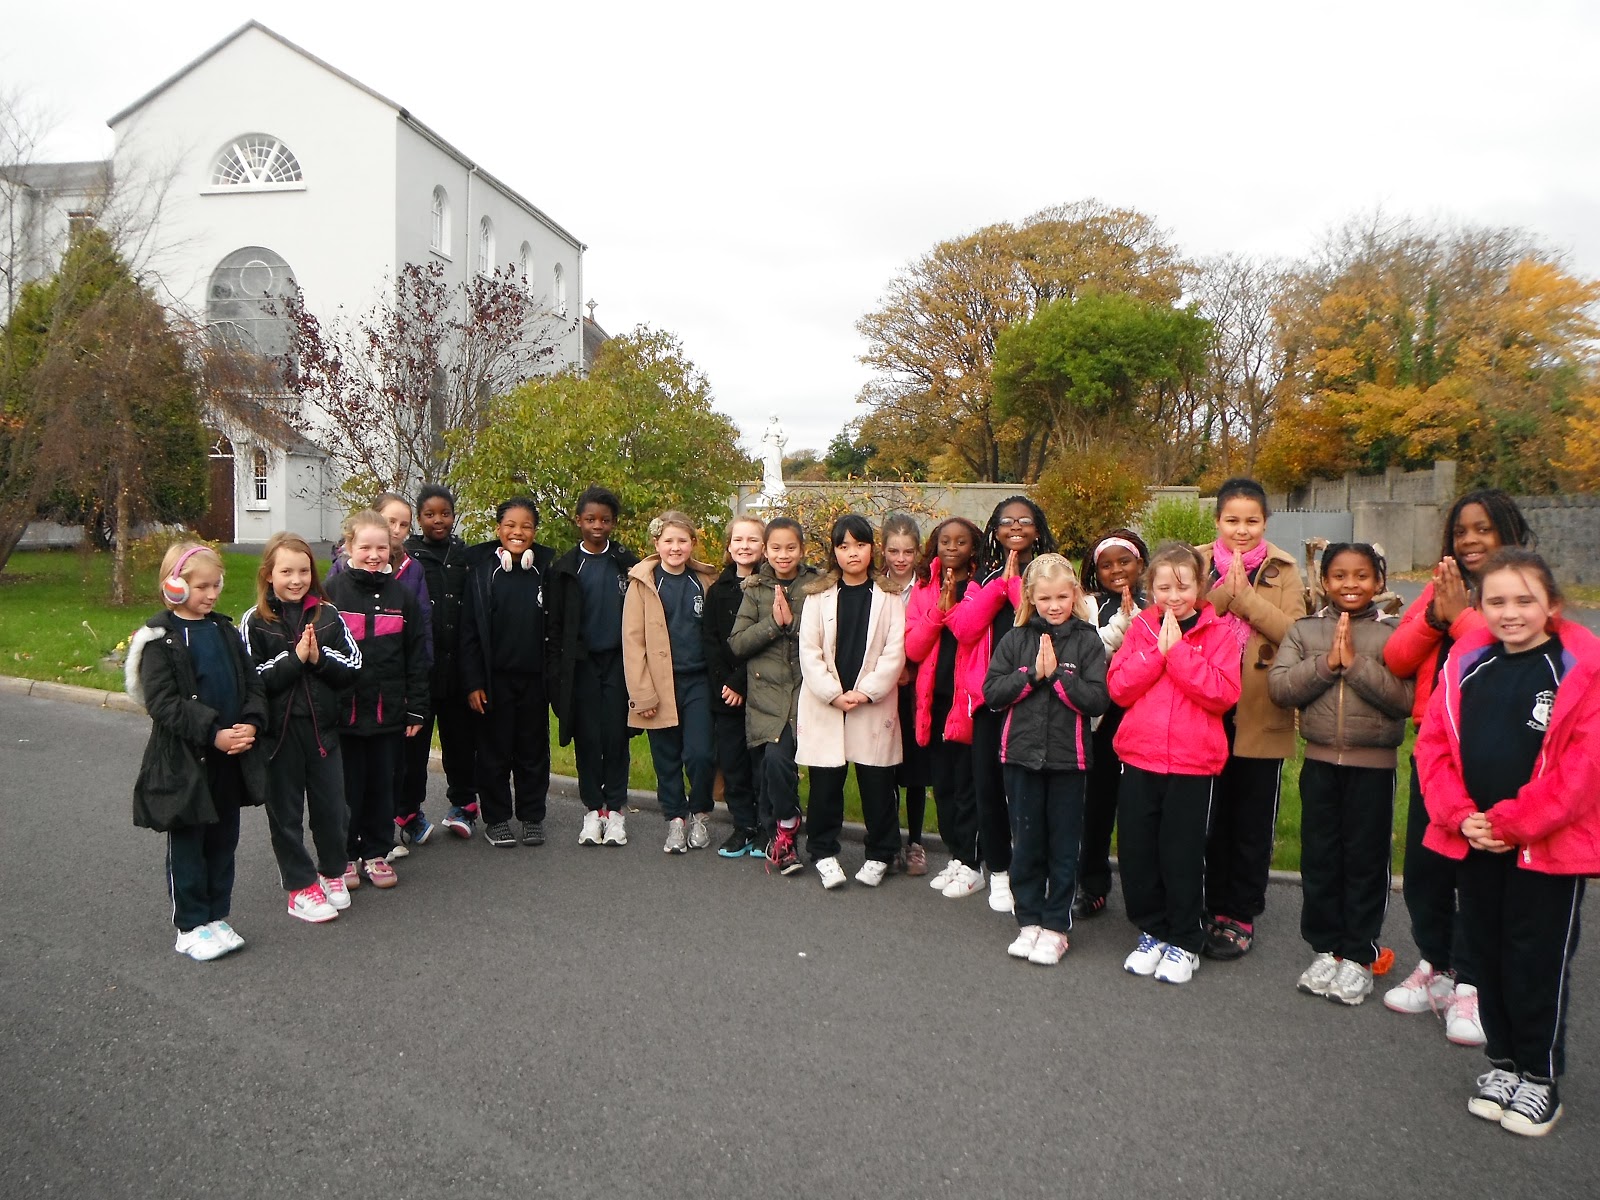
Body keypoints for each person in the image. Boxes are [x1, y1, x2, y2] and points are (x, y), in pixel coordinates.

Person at [1415, 548, 1599, 1137]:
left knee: (1536, 963)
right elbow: (1434, 749)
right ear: (1479, 606)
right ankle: (1504, 1064)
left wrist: (1511, 823)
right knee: (1487, 957)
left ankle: (1540, 1078)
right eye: (1496, 601)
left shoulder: (1576, 670)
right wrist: (1458, 815)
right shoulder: (1468, 666)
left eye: (1525, 600)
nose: (1511, 612)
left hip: (1544, 851)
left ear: (1552, 604)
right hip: (1475, 843)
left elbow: (1580, 771)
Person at [1381, 489, 1535, 1044]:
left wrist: (1462, 619)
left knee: (1477, 869)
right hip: (1436, 748)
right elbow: (1398, 656)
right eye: (1462, 530)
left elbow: (1514, 653)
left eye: (1483, 529)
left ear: (1508, 532)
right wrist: (1436, 616)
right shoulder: (1442, 587)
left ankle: (1473, 983)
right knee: (1427, 867)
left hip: (1496, 751)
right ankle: (1437, 966)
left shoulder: (1524, 589)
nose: (1470, 540)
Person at [1268, 544, 1413, 1005]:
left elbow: (1404, 700)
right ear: (1323, 582)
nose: (1351, 584)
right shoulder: (1305, 630)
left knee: (1365, 861)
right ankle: (1326, 949)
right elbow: (1280, 687)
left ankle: (1358, 955)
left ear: (1379, 581)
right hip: (1319, 763)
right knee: (1321, 859)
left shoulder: (1396, 635)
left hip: (1373, 767)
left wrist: (1356, 663)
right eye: (1340, 576)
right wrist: (1328, 663)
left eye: (1362, 575)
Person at [1108, 543, 1242, 985]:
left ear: (1201, 588)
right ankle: (1153, 930)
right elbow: (1119, 688)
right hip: (1140, 758)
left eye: (1183, 586)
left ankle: (1186, 940)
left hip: (1192, 763)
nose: (1173, 596)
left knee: (1181, 855)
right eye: (1163, 587)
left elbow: (1223, 693)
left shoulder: (1219, 632)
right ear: (1150, 589)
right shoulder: (1140, 629)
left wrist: (1180, 652)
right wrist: (1157, 654)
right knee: (1139, 852)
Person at [126, 543, 267, 960]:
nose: (211, 594)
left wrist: (251, 722)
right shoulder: (160, 640)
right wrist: (214, 732)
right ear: (175, 586)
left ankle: (216, 915)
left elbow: (252, 682)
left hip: (228, 759)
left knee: (224, 839)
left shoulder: (224, 631)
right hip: (186, 763)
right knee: (190, 843)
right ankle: (190, 925)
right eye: (201, 586)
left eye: (215, 585)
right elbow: (165, 703)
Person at [1197, 477, 1306, 959]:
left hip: (1262, 711)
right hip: (1206, 708)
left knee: (1252, 818)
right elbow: (1183, 615)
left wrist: (1246, 601)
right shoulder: (1197, 563)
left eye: (1252, 521)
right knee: (1209, 815)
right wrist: (1225, 592)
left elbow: (1295, 632)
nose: (1242, 530)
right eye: (1232, 520)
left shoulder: (1284, 568)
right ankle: (1208, 902)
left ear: (1265, 522)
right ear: (1217, 520)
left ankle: (1240, 912)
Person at [982, 554, 1109, 964]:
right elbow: (992, 693)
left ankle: (1056, 926)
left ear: (1074, 594)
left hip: (1068, 762)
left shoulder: (1088, 641)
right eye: (1045, 598)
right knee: (1027, 845)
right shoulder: (1015, 639)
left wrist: (1056, 677)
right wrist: (1031, 675)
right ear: (1030, 599)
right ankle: (1029, 921)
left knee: (1063, 847)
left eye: (1062, 597)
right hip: (1020, 759)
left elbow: (1096, 700)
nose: (1054, 606)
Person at [240, 532, 364, 924]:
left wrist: (318, 659)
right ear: (268, 575)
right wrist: (294, 660)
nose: (296, 580)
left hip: (323, 731)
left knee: (332, 808)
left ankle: (331, 870)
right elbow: (252, 680)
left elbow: (354, 666)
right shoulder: (255, 622)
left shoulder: (328, 614)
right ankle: (299, 885)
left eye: (303, 571)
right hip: (279, 737)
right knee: (286, 814)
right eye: (286, 572)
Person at [946, 496, 1059, 909]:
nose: (1015, 527)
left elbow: (1048, 621)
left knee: (1032, 792)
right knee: (988, 790)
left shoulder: (1053, 570)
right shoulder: (985, 575)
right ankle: (999, 871)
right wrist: (997, 587)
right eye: (1006, 521)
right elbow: (961, 626)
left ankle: (1035, 869)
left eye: (1024, 521)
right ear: (994, 529)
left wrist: (1018, 587)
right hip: (990, 700)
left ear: (1037, 527)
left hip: (1037, 699)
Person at [796, 514, 907, 888]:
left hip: (870, 703)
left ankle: (881, 852)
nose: (852, 553)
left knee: (876, 782)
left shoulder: (889, 597)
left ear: (871, 548)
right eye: (843, 546)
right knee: (825, 783)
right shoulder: (818, 596)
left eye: (859, 544)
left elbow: (895, 652)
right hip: (828, 703)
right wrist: (833, 693)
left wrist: (865, 691)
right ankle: (824, 852)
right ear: (834, 552)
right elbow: (809, 652)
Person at [325, 510, 430, 887]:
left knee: (383, 786)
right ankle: (348, 855)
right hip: (345, 715)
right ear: (348, 546)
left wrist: (417, 707)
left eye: (381, 547)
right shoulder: (332, 594)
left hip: (390, 713)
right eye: (365, 546)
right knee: (348, 788)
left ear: (392, 549)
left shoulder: (403, 597)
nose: (374, 554)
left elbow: (417, 657)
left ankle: (376, 852)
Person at [728, 517, 822, 876]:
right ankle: (785, 832)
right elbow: (738, 643)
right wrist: (773, 624)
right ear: (766, 551)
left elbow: (828, 636)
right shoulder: (755, 588)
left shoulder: (816, 585)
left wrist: (792, 625)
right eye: (776, 548)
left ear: (801, 549)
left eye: (791, 548)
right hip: (766, 694)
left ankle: (783, 834)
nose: (784, 555)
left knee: (781, 763)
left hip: (805, 689)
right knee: (775, 762)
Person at [461, 497, 556, 849]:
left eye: (527, 526)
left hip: (534, 681)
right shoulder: (483, 571)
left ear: (535, 532)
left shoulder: (545, 569)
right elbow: (469, 632)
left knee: (533, 752)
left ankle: (532, 817)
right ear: (498, 529)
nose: (518, 532)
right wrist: (473, 682)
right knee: (494, 753)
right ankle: (497, 819)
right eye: (511, 526)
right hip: (493, 682)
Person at [623, 512, 720, 853]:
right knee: (666, 758)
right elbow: (633, 643)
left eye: (682, 540)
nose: (675, 548)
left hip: (698, 682)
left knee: (701, 754)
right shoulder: (644, 583)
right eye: (668, 541)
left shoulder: (704, 582)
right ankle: (675, 820)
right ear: (656, 544)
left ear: (693, 543)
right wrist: (642, 694)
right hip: (660, 685)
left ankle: (700, 813)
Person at [549, 485, 640, 847]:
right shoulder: (566, 568)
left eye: (604, 520)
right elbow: (554, 628)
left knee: (616, 735)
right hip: (582, 665)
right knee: (588, 736)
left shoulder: (628, 563)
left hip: (619, 662)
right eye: (590, 519)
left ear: (613, 523)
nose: (597, 525)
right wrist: (556, 676)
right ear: (579, 521)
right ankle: (592, 810)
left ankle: (615, 810)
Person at [903, 516, 986, 897]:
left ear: (974, 548)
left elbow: (972, 634)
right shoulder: (924, 586)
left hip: (967, 702)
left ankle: (974, 861)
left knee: (968, 785)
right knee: (945, 786)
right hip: (933, 700)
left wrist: (955, 606)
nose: (952, 548)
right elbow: (915, 648)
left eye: (961, 541)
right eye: (945, 541)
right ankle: (957, 854)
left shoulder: (982, 587)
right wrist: (939, 608)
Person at [1074, 528, 1148, 919]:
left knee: (1137, 811)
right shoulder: (1087, 605)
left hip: (1141, 716)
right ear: (1094, 570)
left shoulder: (1157, 602)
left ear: (1141, 564)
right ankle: (1093, 882)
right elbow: (1086, 653)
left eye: (1125, 562)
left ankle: (1146, 891)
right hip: (1099, 720)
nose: (1116, 570)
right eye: (1106, 565)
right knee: (1095, 806)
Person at [402, 484, 477, 843]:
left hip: (458, 670)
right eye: (430, 514)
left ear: (453, 515)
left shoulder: (464, 556)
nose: (438, 520)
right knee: (414, 748)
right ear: (419, 519)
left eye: (445, 513)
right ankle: (409, 813)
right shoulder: (408, 557)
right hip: (422, 671)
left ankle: (463, 805)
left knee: (460, 742)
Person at [704, 515, 767, 857]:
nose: (745, 546)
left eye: (752, 540)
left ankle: (765, 827)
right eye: (738, 540)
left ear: (764, 546)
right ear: (729, 546)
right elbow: (711, 641)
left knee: (761, 764)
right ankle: (743, 825)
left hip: (761, 690)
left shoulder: (772, 587)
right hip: (725, 695)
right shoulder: (719, 590)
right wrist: (726, 685)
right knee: (733, 763)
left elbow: (768, 641)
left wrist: (741, 681)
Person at [880, 513, 928, 874]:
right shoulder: (876, 587)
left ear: (917, 552)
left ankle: (915, 842)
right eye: (894, 551)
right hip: (884, 687)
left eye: (907, 551)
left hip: (917, 690)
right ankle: (888, 838)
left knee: (913, 768)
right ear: (883, 550)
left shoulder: (925, 588)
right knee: (885, 767)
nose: (900, 558)